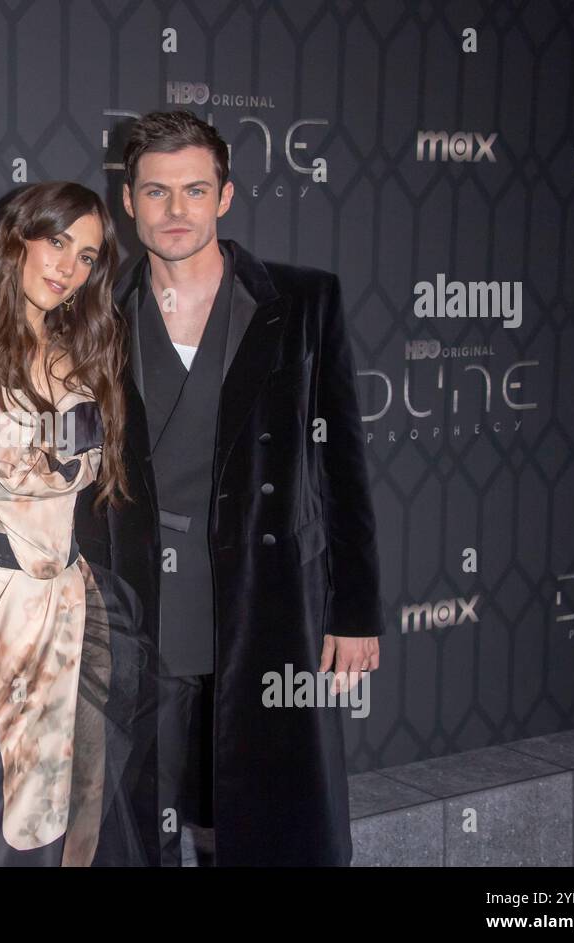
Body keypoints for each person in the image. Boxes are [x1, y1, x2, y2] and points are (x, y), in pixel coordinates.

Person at [72, 110, 385, 866]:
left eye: (193, 190)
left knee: (264, 818)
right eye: (156, 192)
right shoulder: (93, 321)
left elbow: (343, 465)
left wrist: (355, 610)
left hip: (267, 602)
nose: (175, 211)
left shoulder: (305, 304)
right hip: (140, 608)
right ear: (129, 203)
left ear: (226, 196)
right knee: (139, 816)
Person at [0, 182, 157, 866]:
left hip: (68, 615)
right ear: (16, 239)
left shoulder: (85, 364)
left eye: (86, 256)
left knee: (61, 811)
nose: (67, 266)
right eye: (56, 241)